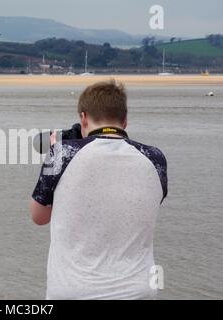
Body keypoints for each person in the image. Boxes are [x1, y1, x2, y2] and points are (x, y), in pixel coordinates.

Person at [30, 80, 168, 300]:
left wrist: (57, 151)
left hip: (75, 291)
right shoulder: (155, 158)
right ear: (125, 120)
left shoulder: (61, 154)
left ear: (83, 118)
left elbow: (38, 216)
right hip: (137, 291)